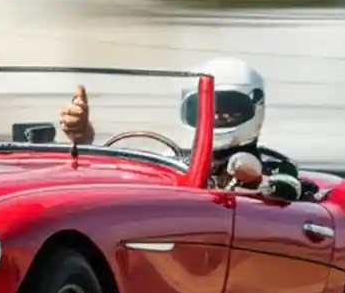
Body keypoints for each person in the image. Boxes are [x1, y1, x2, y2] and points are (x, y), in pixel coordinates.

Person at [57, 57, 317, 199]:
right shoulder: (172, 161)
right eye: (208, 106)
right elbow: (124, 180)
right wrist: (84, 138)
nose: (217, 114)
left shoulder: (273, 164)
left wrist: (257, 180)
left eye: (228, 106)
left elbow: (293, 190)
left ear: (253, 105)